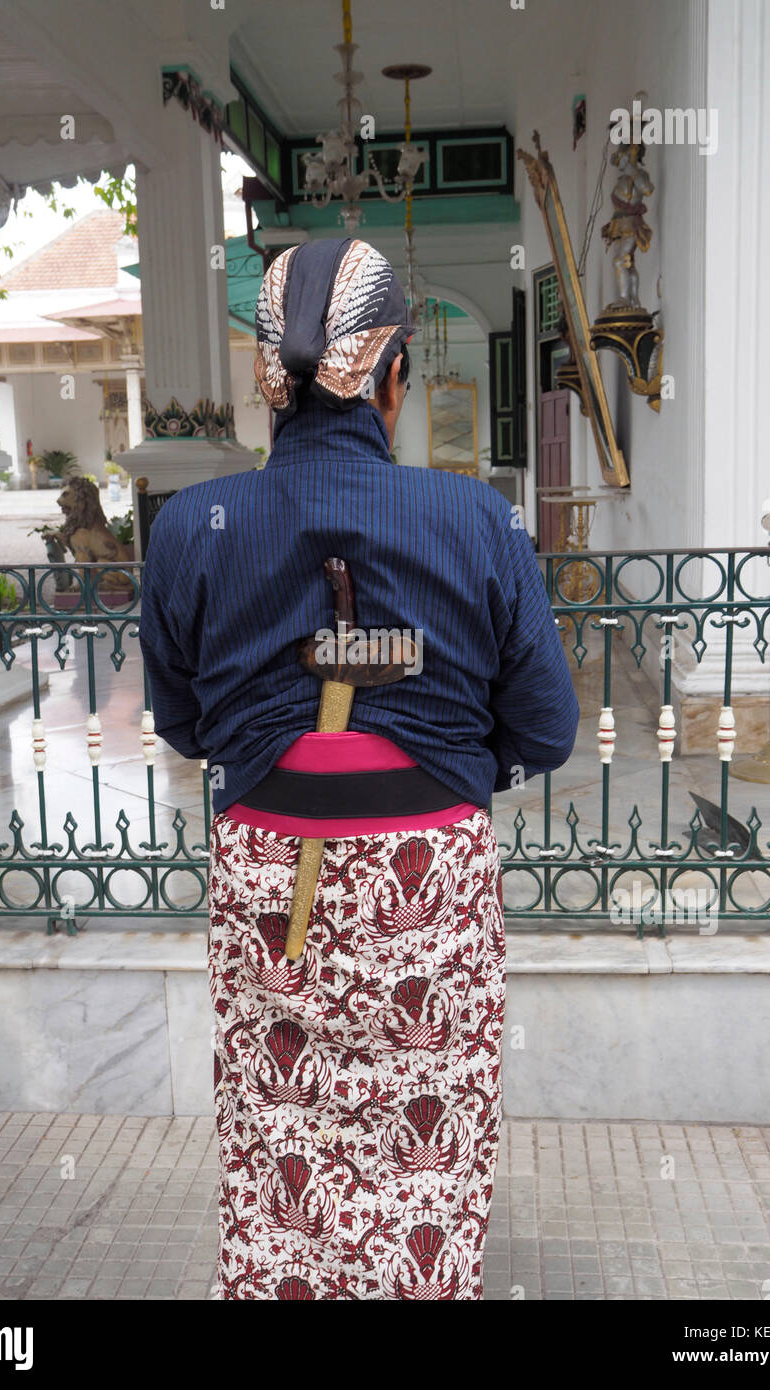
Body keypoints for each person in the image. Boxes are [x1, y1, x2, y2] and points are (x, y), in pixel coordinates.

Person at [138, 236, 579, 1300]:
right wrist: (461, 760)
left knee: (282, 1134)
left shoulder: (194, 527)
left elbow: (184, 724)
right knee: (423, 1129)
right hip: (428, 877)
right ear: (392, 378)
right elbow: (551, 728)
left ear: (267, 382)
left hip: (267, 876)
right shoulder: (476, 518)